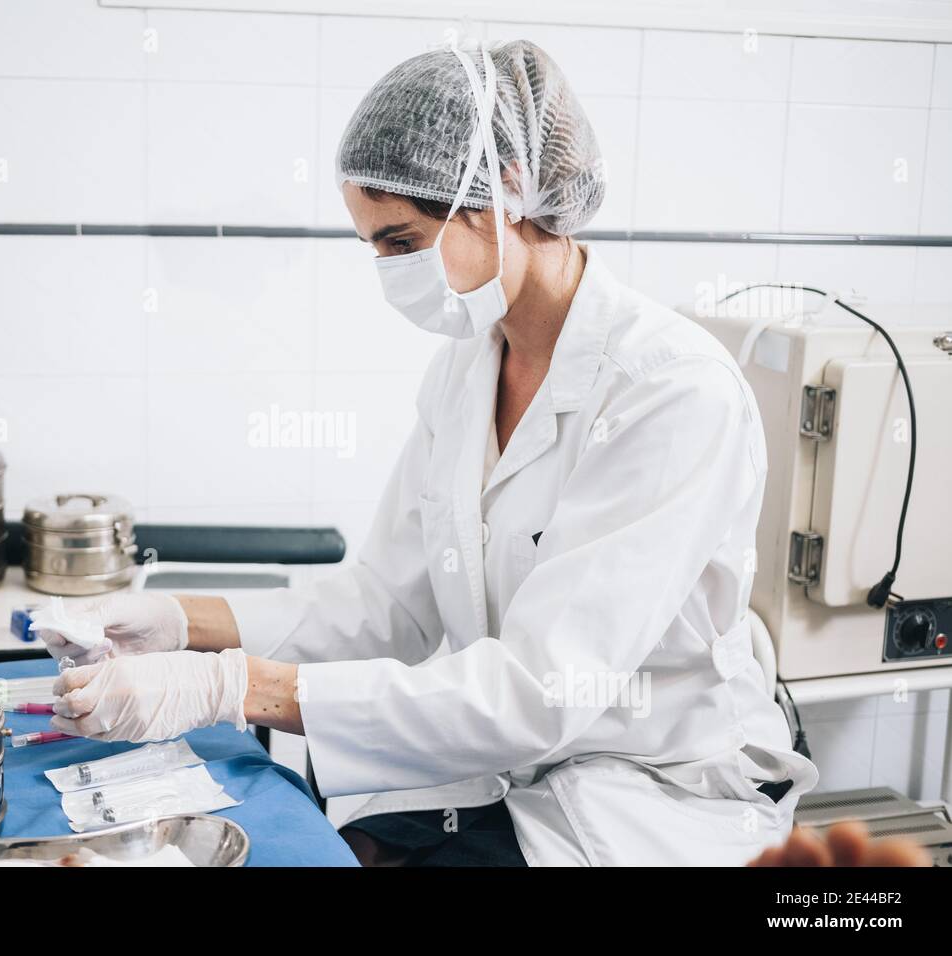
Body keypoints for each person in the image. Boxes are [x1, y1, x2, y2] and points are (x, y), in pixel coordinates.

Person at [40, 39, 821, 866]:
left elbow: (539, 691)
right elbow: (387, 605)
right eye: (373, 245)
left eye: (402, 240)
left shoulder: (670, 390)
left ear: (506, 192)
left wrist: (230, 689)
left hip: (653, 794)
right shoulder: (467, 366)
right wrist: (175, 625)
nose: (386, 270)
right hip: (507, 771)